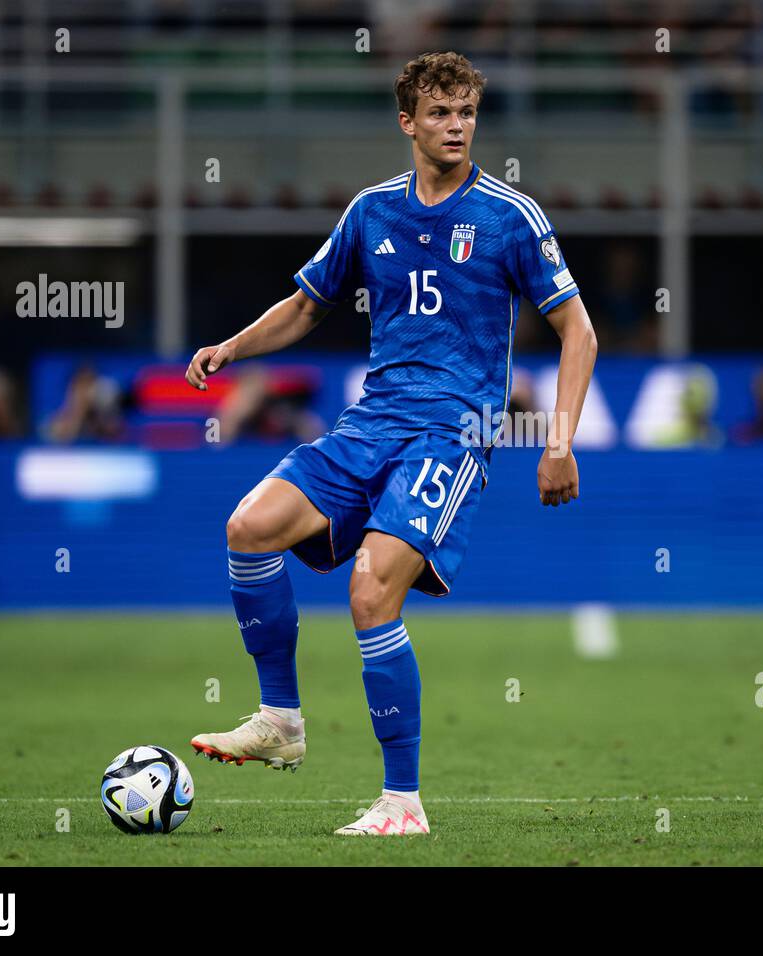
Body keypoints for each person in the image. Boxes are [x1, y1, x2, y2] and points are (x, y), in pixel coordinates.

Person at [183, 52, 598, 836]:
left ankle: (402, 801)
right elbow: (307, 306)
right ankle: (280, 720)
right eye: (440, 113)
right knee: (249, 526)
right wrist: (232, 347)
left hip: (451, 432)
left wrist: (559, 441)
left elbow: (578, 330)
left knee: (372, 589)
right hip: (371, 423)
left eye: (466, 112)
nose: (456, 127)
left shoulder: (510, 216)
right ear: (407, 121)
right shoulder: (371, 211)